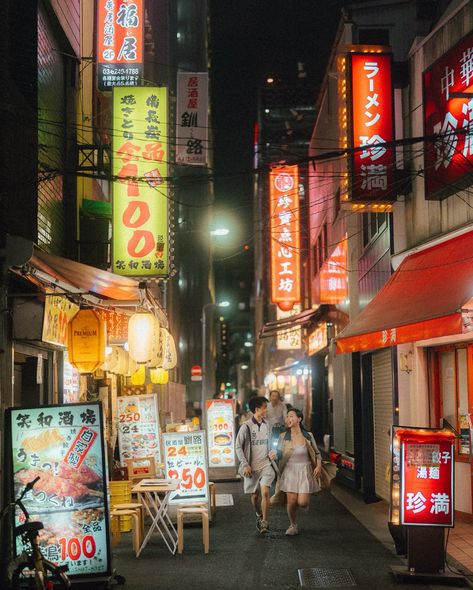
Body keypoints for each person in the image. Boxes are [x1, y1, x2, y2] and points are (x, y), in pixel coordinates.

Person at [277, 407, 322, 536]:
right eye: (287, 416)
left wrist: (318, 466)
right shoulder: (283, 436)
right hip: (289, 471)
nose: (288, 419)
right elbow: (278, 454)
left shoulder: (308, 436)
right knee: (291, 501)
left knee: (302, 503)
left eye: (291, 416)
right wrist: (274, 455)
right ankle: (293, 525)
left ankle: (303, 503)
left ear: (299, 419)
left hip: (304, 471)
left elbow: (317, 453)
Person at [235, 396, 276, 534]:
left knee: (265, 492)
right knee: (254, 497)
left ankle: (265, 522)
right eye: (265, 407)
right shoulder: (246, 426)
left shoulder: (267, 425)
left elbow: (271, 443)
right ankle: (259, 515)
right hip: (251, 468)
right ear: (257, 409)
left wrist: (273, 451)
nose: (266, 410)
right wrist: (245, 464)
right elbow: (238, 447)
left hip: (265, 464)